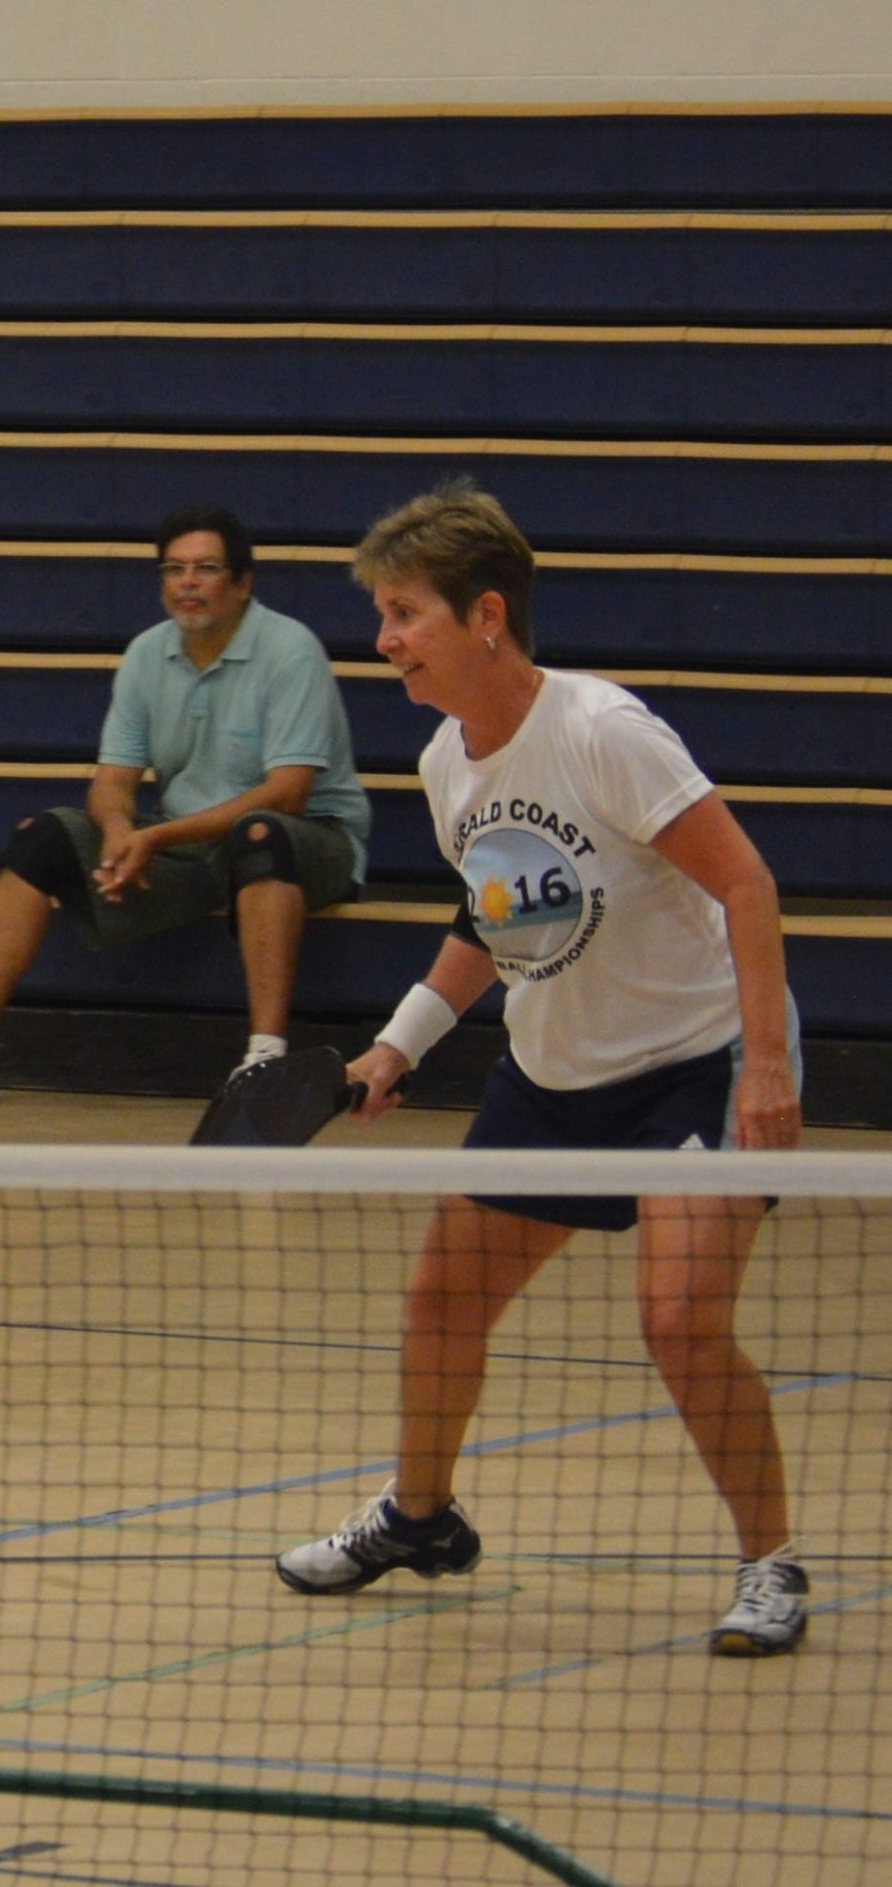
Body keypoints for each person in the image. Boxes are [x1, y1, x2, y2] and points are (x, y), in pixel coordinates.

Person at [275, 482, 809, 1658]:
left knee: (678, 1321)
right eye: (381, 615)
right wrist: (398, 1045)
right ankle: (419, 1518)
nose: (383, 640)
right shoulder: (446, 764)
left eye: (404, 613)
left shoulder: (600, 732)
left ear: (485, 617)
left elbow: (746, 882)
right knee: (442, 1301)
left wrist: (766, 1065)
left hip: (695, 1062)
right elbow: (495, 917)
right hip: (553, 1075)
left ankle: (770, 1563)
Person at [0, 504, 370, 1105]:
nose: (187, 583)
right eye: (174, 570)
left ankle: (266, 1062)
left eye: (206, 568)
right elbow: (112, 781)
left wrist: (153, 837)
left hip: (308, 841)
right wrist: (117, 831)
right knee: (42, 836)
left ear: (243, 584)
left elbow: (288, 793)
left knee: (259, 833)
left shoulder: (290, 650)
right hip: (193, 846)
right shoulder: (145, 655)